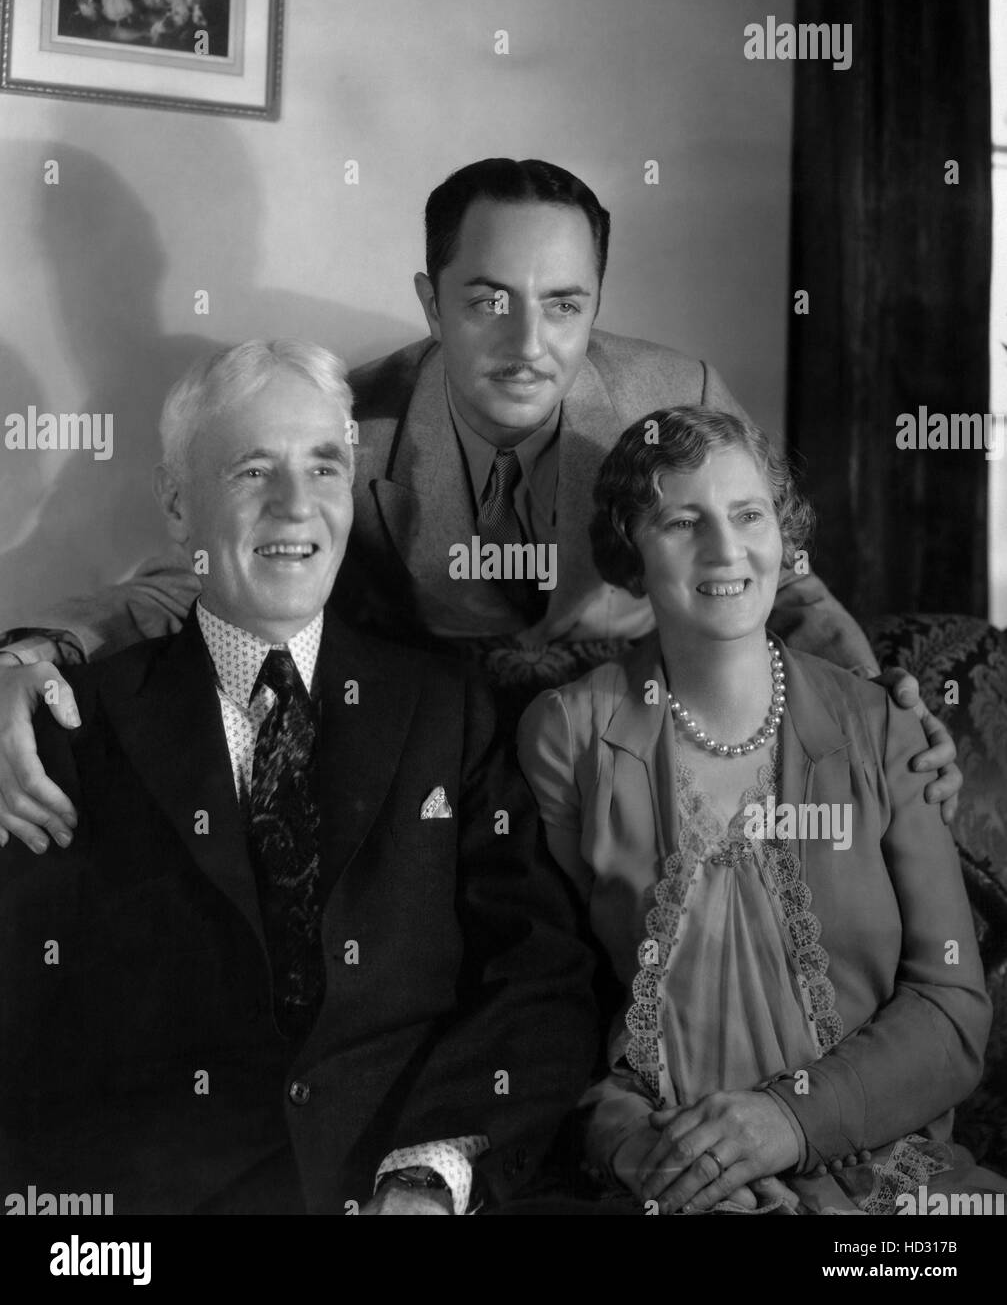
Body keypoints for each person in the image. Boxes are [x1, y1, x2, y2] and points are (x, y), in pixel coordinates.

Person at [0, 158, 960, 853]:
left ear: (595, 304)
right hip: (431, 729)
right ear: (431, 302)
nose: (528, 343)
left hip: (630, 714)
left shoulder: (680, 400)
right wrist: (34, 650)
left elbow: (782, 582)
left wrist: (885, 726)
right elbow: (203, 572)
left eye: (563, 305)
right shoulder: (356, 422)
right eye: (488, 301)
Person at [0, 341, 597, 1215]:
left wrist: (431, 1173)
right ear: (177, 505)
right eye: (252, 471)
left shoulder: (448, 713)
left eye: (324, 467)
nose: (294, 505)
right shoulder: (71, 728)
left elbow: (540, 975)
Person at [517, 407, 1001, 1215]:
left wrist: (787, 1119)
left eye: (748, 515)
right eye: (680, 520)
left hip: (885, 1173)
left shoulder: (882, 728)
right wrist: (632, 1144)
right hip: (674, 1175)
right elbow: (556, 997)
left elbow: (952, 1011)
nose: (725, 549)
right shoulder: (568, 736)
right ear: (627, 549)